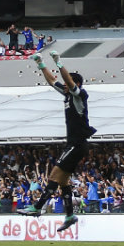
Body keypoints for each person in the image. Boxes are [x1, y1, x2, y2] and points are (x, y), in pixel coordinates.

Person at [18, 50, 96, 231]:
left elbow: (66, 81)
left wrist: (59, 62)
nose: (65, 86)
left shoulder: (79, 95)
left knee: (54, 175)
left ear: (75, 83)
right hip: (75, 144)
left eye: (69, 83)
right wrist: (41, 64)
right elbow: (52, 81)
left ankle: (37, 208)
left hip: (77, 143)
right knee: (63, 181)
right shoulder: (68, 94)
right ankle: (69, 215)